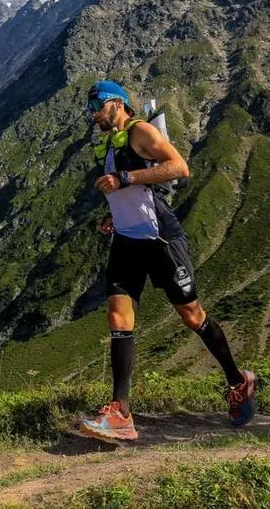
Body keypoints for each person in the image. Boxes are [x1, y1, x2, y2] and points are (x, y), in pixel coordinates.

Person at [77, 80, 257, 442]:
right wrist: (114, 214)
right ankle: (121, 412)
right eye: (89, 106)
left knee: (192, 316)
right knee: (118, 316)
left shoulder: (140, 131)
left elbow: (178, 167)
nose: (92, 112)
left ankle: (239, 382)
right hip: (126, 240)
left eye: (97, 103)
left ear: (118, 103)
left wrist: (125, 177)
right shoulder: (107, 145)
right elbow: (131, 193)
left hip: (161, 240)